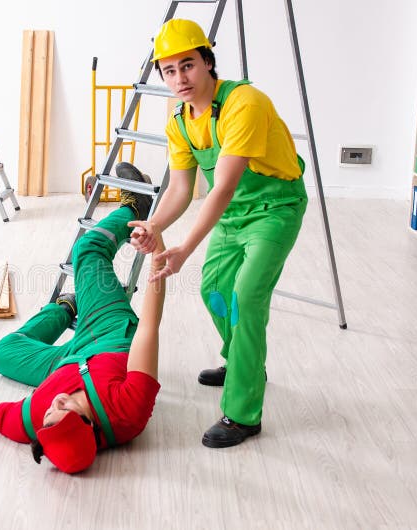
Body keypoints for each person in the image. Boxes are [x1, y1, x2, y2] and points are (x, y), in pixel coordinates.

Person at [128, 19, 308, 448]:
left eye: (187, 65)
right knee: (214, 290)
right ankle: (243, 360)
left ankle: (243, 414)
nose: (179, 79)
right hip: (230, 217)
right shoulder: (180, 121)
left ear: (207, 61)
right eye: (169, 71)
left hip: (274, 210)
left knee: (246, 297)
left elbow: (223, 185)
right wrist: (154, 225)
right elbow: (180, 189)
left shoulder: (244, 103)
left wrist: (184, 248)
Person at [0, 165, 168, 473]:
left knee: (2, 353)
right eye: (62, 410)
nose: (56, 403)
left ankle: (65, 307)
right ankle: (134, 207)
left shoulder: (37, 417)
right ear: (90, 427)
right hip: (109, 334)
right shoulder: (129, 411)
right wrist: (158, 254)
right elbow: (149, 328)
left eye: (49, 415)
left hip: (66, 362)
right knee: (87, 249)